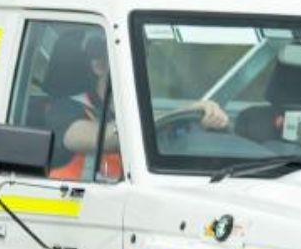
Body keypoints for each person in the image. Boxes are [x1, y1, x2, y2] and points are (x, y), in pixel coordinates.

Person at [46, 31, 228, 181]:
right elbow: (99, 137)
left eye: (143, 58)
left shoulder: (134, 112)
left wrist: (205, 116)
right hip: (69, 207)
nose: (140, 66)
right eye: (129, 59)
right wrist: (176, 117)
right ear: (99, 65)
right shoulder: (64, 109)